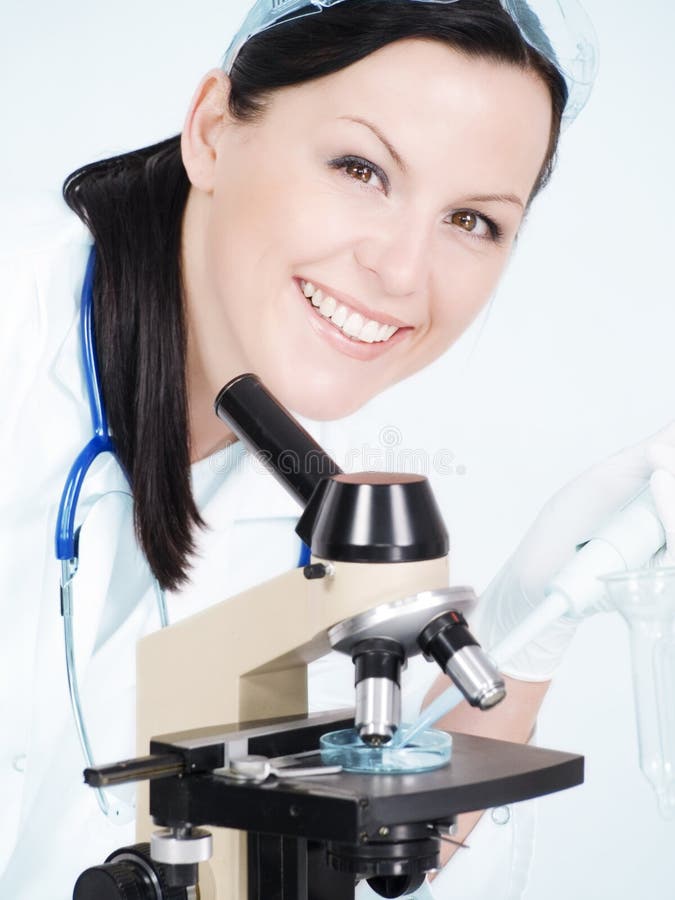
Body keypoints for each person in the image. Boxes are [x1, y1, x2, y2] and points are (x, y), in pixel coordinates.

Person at [2, 0, 674, 897]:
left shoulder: (314, 476)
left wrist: (527, 629)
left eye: (472, 220)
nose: (402, 272)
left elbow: (377, 854)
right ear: (211, 130)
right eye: (360, 168)